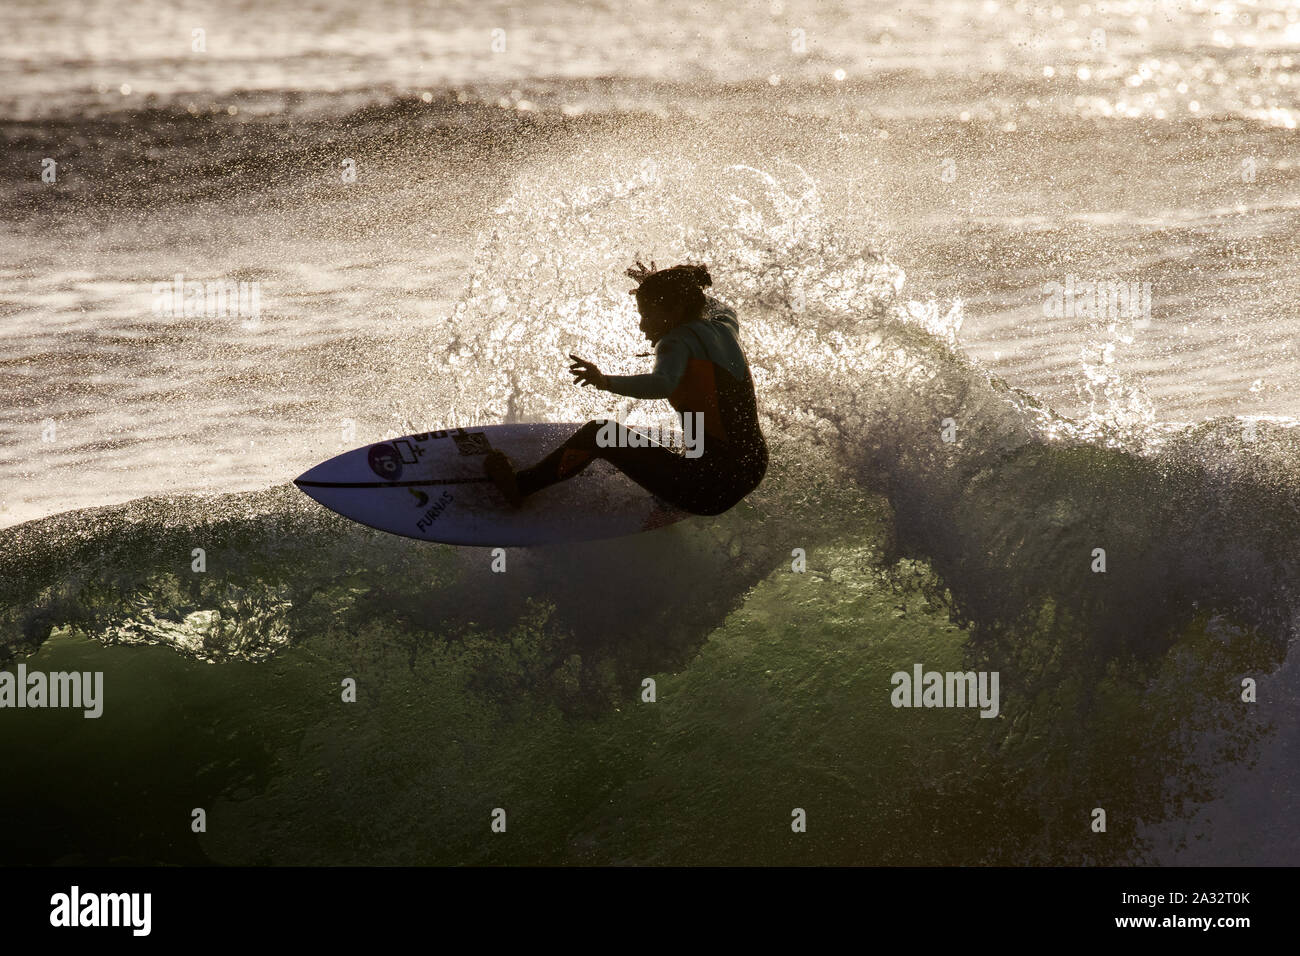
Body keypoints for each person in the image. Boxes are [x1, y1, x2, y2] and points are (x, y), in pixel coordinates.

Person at [483, 261, 768, 516]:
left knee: (600, 433)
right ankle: (673, 488)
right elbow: (711, 303)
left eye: (647, 314)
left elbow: (661, 383)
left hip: (707, 486)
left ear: (675, 310)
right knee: (697, 415)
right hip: (751, 468)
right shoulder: (724, 324)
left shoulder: (674, 341)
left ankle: (520, 487)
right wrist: (666, 285)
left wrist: (606, 381)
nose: (642, 326)